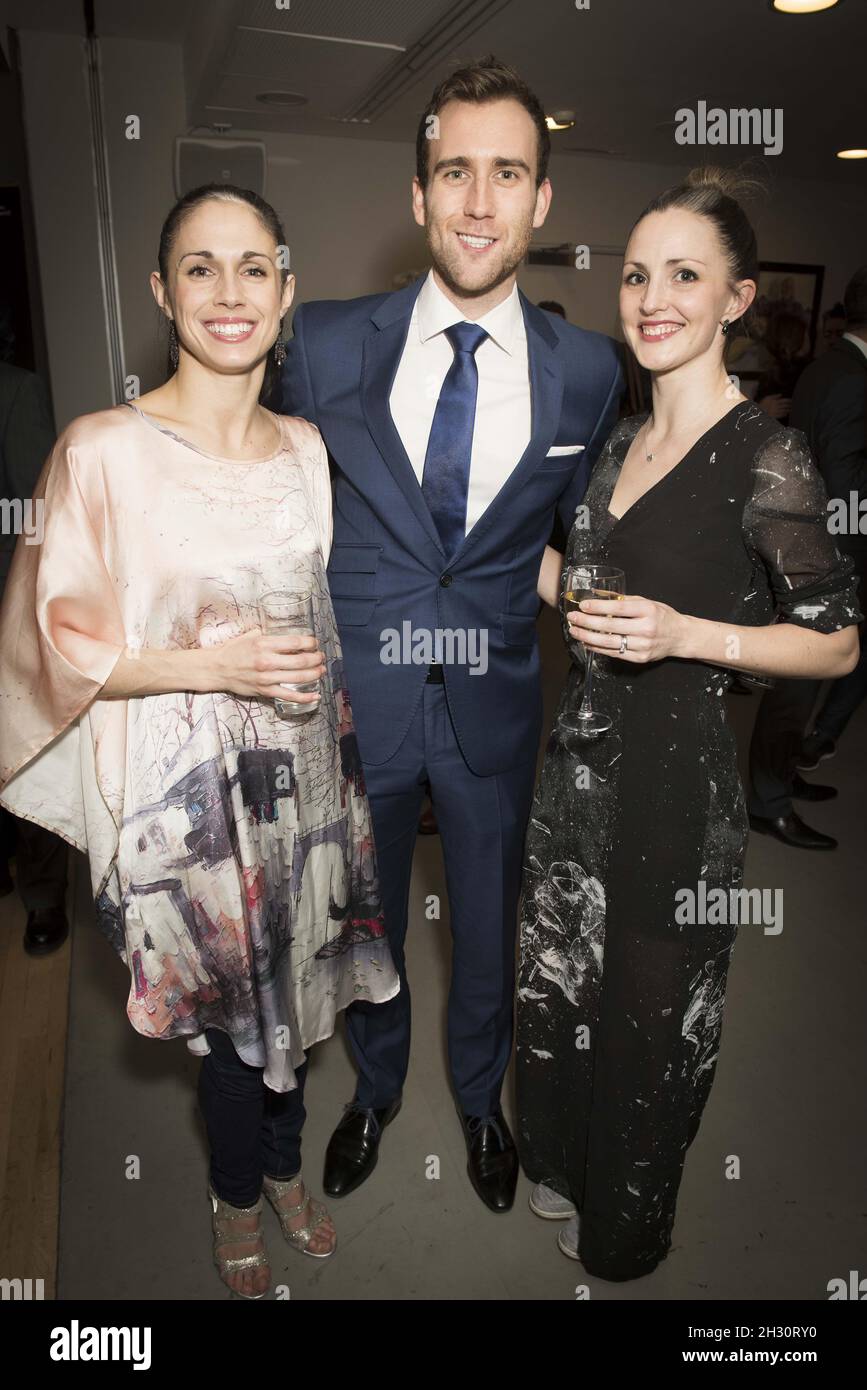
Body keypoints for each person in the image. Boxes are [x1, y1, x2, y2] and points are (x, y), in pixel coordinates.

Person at [0, 183, 399, 1298]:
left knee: (302, 1008)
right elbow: (52, 652)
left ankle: (283, 1170)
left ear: (285, 287)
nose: (231, 292)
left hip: (308, 789)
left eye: (253, 267)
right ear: (161, 291)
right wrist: (210, 665)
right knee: (234, 1032)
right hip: (187, 813)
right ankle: (237, 1198)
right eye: (200, 267)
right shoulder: (101, 453)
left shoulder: (309, 450)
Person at [273, 55, 624, 1213]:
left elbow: (568, 541)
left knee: (487, 925)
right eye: (456, 173)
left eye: (508, 174)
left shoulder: (587, 374)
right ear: (419, 196)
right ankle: (375, 1092)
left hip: (496, 707)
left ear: (541, 201)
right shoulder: (322, 344)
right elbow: (261, 497)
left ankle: (479, 1099)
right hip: (358, 699)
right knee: (362, 924)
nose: (481, 201)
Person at [516, 166, 860, 1282]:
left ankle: (626, 1228)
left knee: (649, 1022)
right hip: (578, 773)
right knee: (568, 985)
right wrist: (490, 542)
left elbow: (837, 639)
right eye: (635, 274)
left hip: (676, 787)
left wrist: (688, 634)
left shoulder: (767, 455)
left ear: (736, 300)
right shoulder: (617, 443)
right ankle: (561, 1162)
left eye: (684, 275)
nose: (652, 296)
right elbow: (589, 596)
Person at [748, 265, 867, 845]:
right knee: (794, 688)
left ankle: (781, 780)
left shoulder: (825, 368)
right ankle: (768, 801)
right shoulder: (850, 376)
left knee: (799, 686)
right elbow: (843, 485)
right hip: (821, 556)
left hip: (804, 546)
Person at [0, 361, 70, 952]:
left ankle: (44, 896)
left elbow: (36, 516)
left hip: (7, 606)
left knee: (22, 745)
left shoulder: (14, 391)